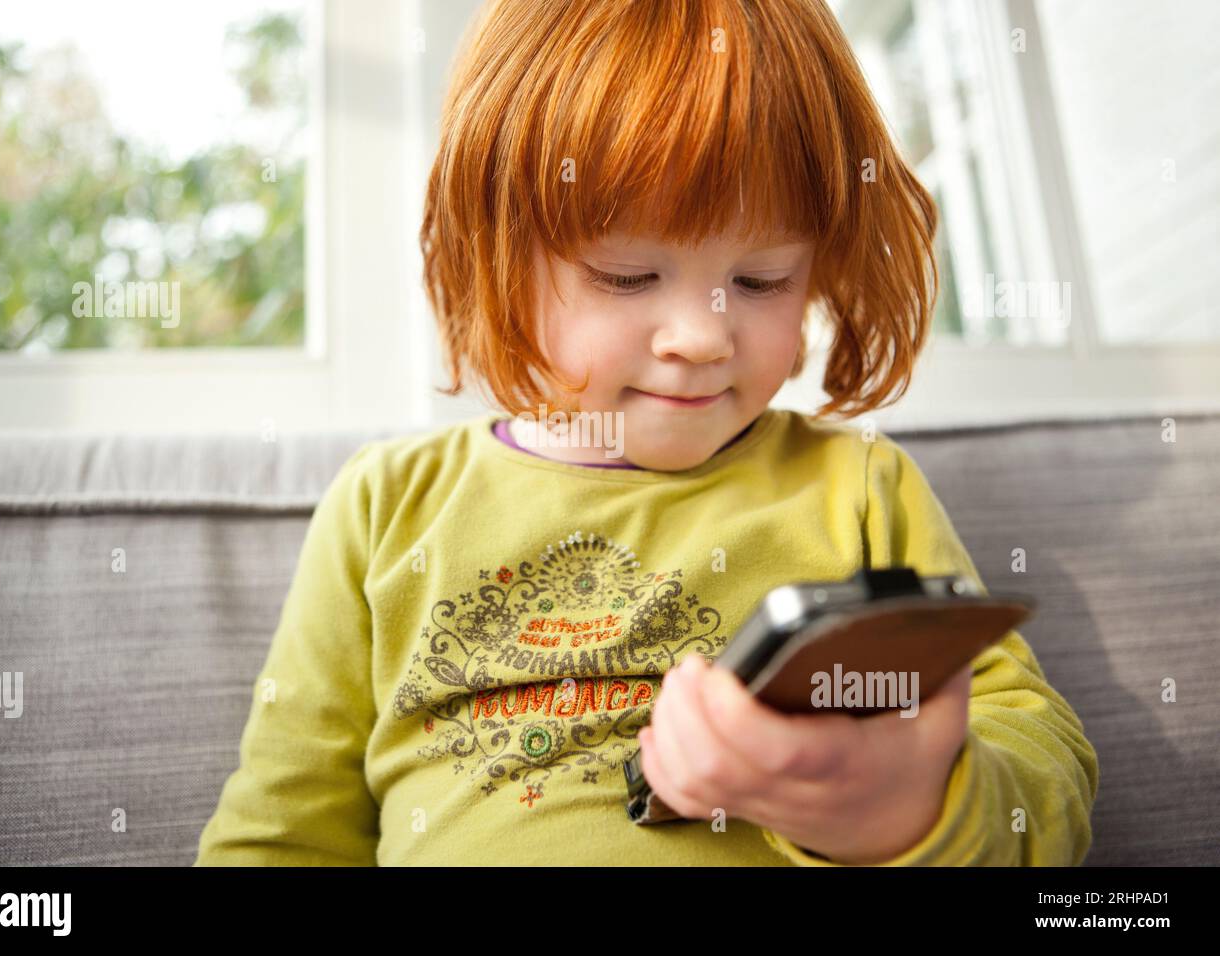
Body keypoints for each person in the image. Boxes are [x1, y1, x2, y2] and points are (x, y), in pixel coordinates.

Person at [195, 0, 1098, 866]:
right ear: (496, 255)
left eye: (762, 280)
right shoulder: (384, 507)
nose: (702, 336)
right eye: (627, 277)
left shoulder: (857, 487)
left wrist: (905, 811)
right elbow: (280, 837)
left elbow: (1038, 760)